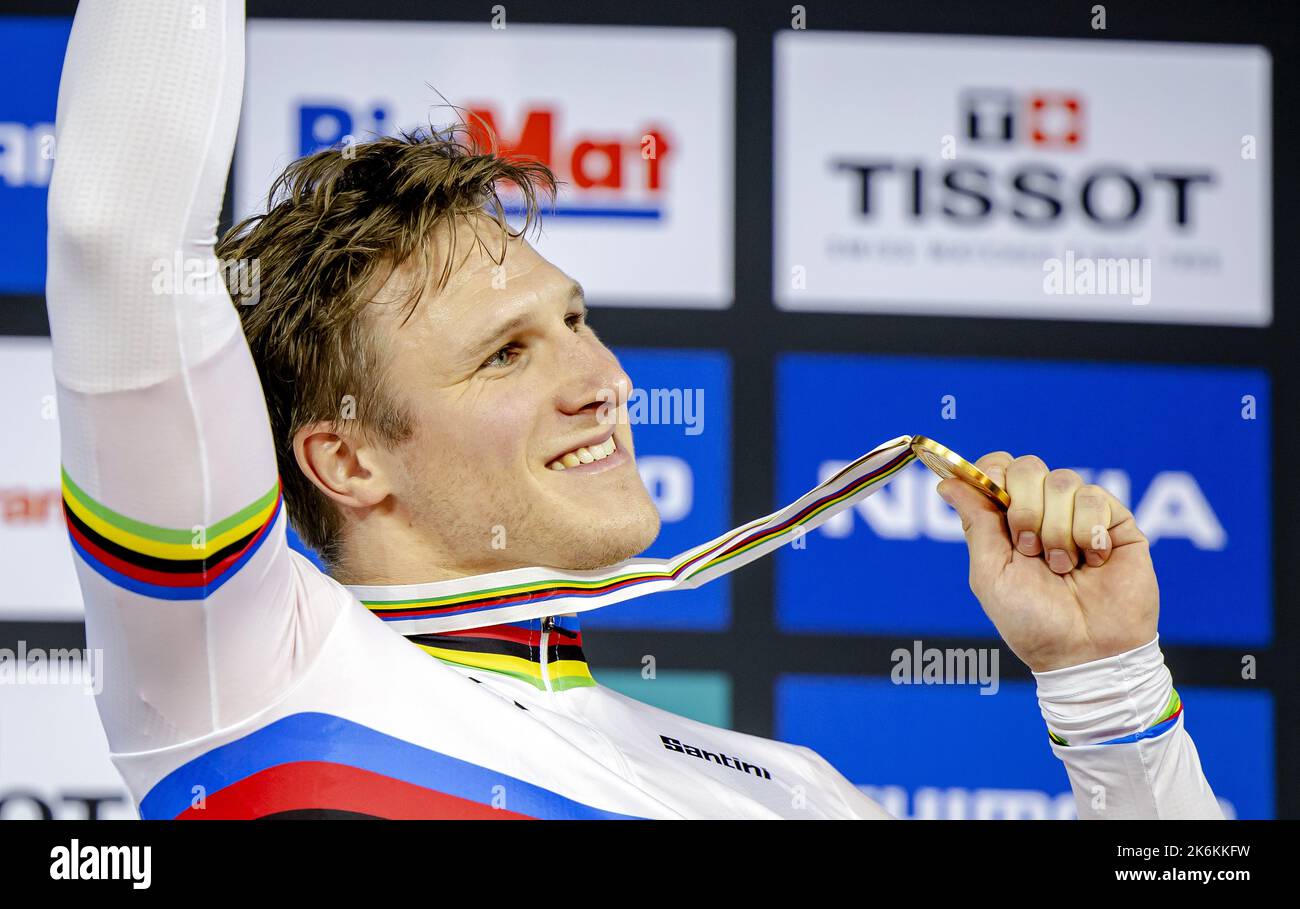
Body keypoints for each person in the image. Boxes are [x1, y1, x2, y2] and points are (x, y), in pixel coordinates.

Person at [46, 0, 1221, 819]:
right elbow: (115, 232)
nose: (601, 378)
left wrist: (1105, 678)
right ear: (346, 460)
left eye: (575, 320)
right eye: (506, 354)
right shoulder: (248, 673)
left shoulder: (790, 789)